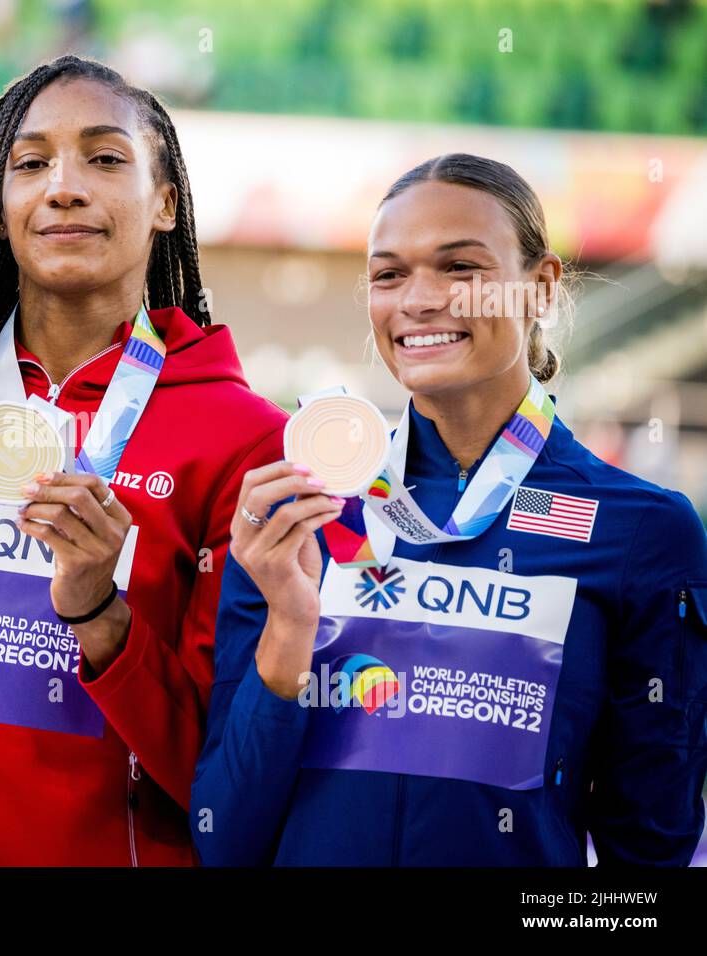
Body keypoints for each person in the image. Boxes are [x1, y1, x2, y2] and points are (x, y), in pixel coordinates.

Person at [0, 55, 286, 865]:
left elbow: (222, 780)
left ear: (165, 203)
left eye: (105, 159)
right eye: (30, 164)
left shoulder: (243, 438)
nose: (64, 186)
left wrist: (102, 615)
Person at [192, 152, 707, 866]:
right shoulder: (302, 506)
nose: (419, 300)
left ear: (542, 288)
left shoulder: (641, 530)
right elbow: (224, 839)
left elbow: (648, 850)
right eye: (389, 274)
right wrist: (288, 628)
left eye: (460, 269)